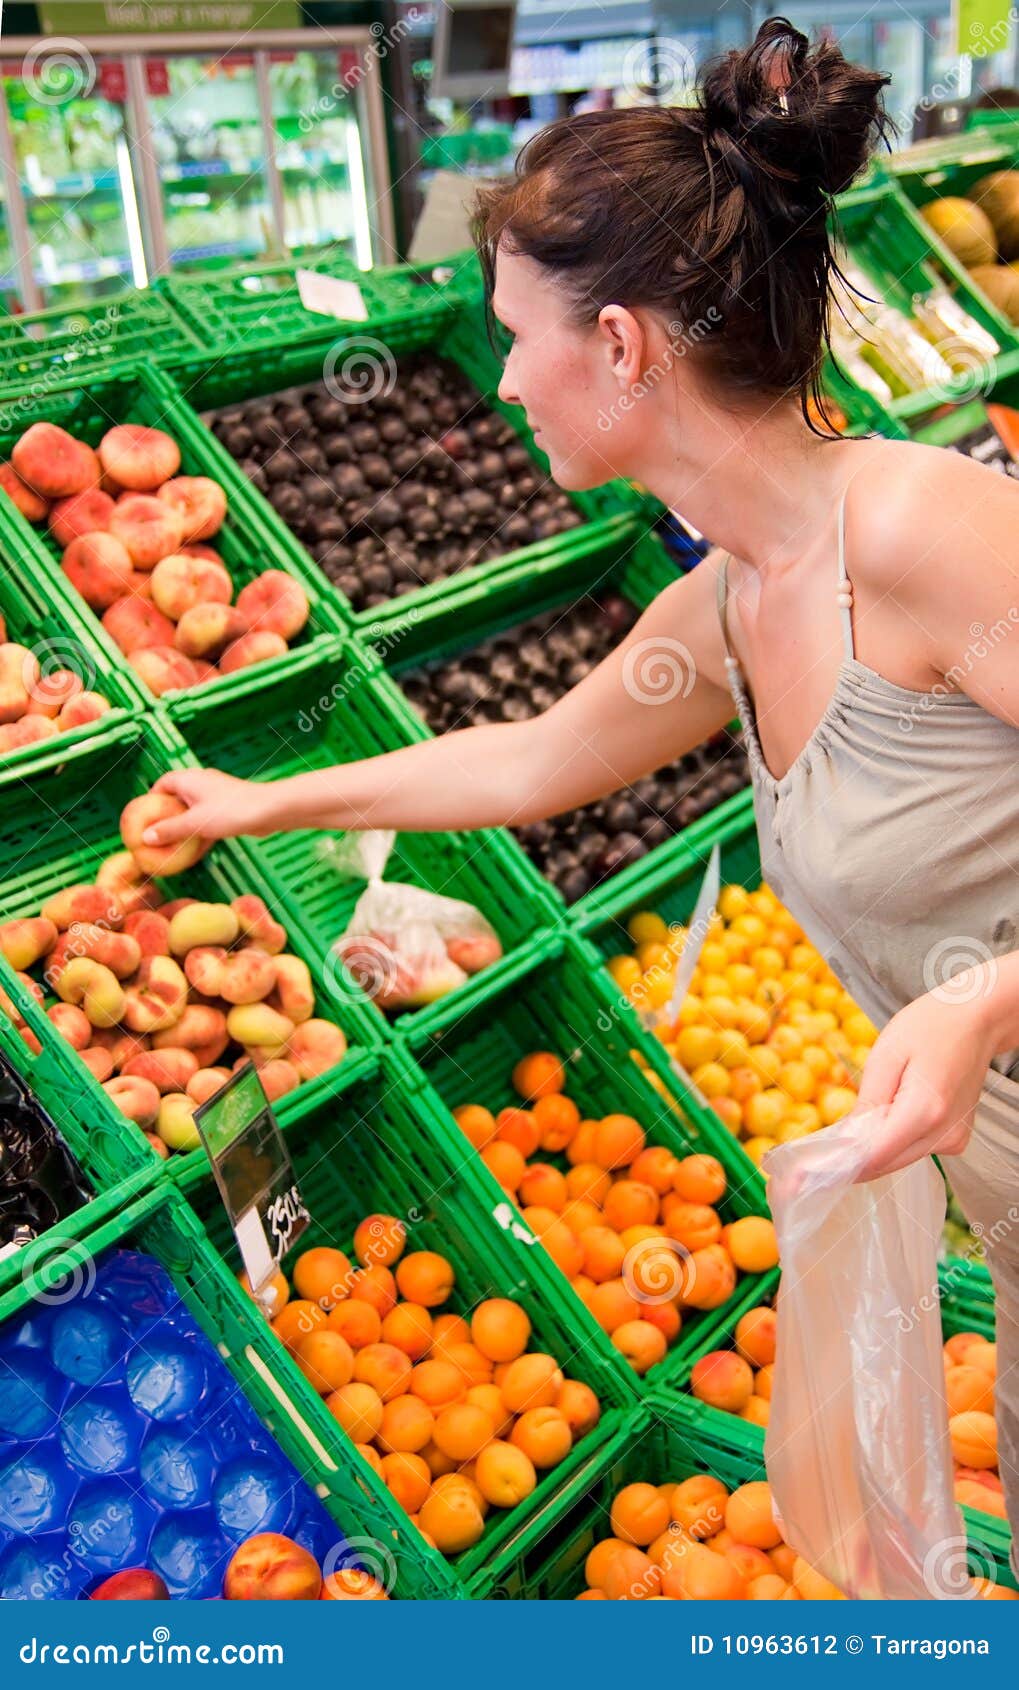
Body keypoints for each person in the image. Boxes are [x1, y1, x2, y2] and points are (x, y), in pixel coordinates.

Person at [145, 18, 1019, 1558]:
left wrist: (987, 997)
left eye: (514, 331)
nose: (500, 376)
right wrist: (253, 801)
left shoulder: (921, 531)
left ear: (620, 345)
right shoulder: (736, 606)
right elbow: (531, 759)